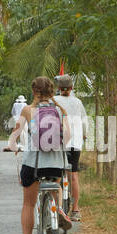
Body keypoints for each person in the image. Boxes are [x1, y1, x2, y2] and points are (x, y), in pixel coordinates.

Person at [4, 76, 71, 234]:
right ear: (51, 91)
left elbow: (15, 135)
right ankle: (56, 211)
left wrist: (13, 147)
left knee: (28, 203)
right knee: (54, 187)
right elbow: (68, 137)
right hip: (56, 165)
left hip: (33, 166)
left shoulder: (28, 110)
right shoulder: (60, 110)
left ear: (34, 92)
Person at [53, 74, 86, 220]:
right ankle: (76, 210)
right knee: (74, 175)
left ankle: (57, 207)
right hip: (75, 143)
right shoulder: (78, 102)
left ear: (58, 88)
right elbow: (85, 122)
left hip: (58, 142)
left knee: (57, 174)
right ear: (72, 88)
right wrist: (84, 135)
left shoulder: (53, 101)